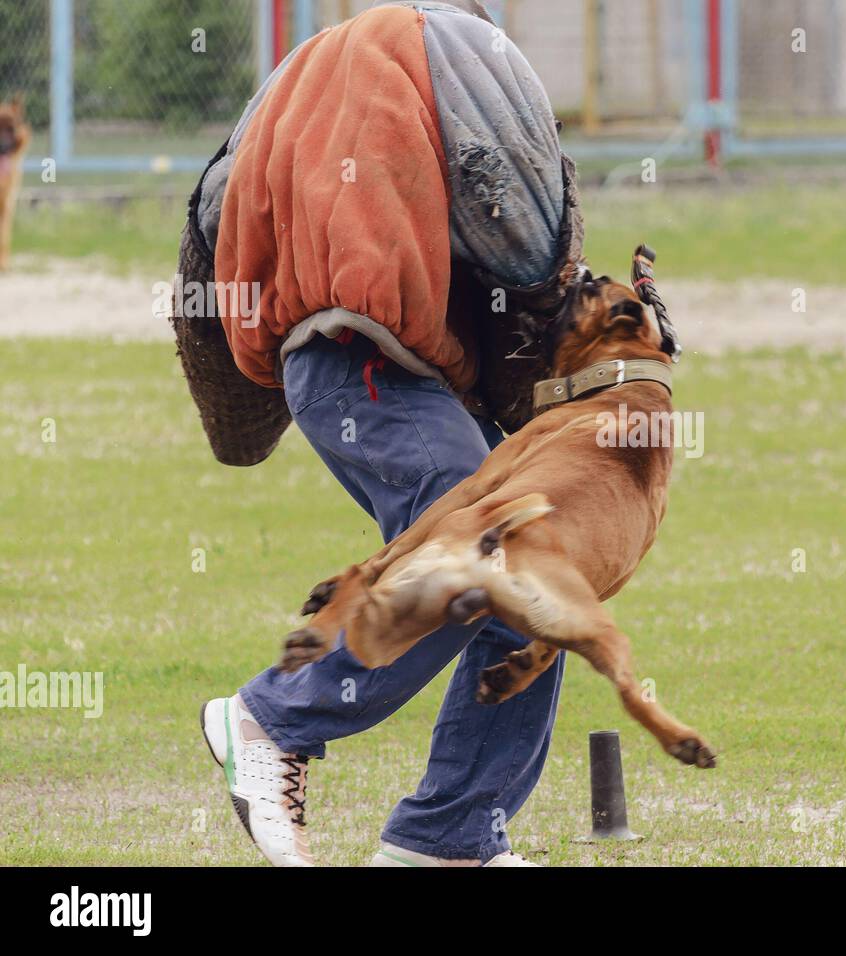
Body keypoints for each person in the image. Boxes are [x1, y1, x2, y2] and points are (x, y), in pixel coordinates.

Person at [184, 0, 586, 867]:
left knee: (531, 569)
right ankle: (273, 717)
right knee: (479, 549)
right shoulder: (381, 59)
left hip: (391, 370)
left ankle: (448, 838)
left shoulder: (326, 76)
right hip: (354, 361)